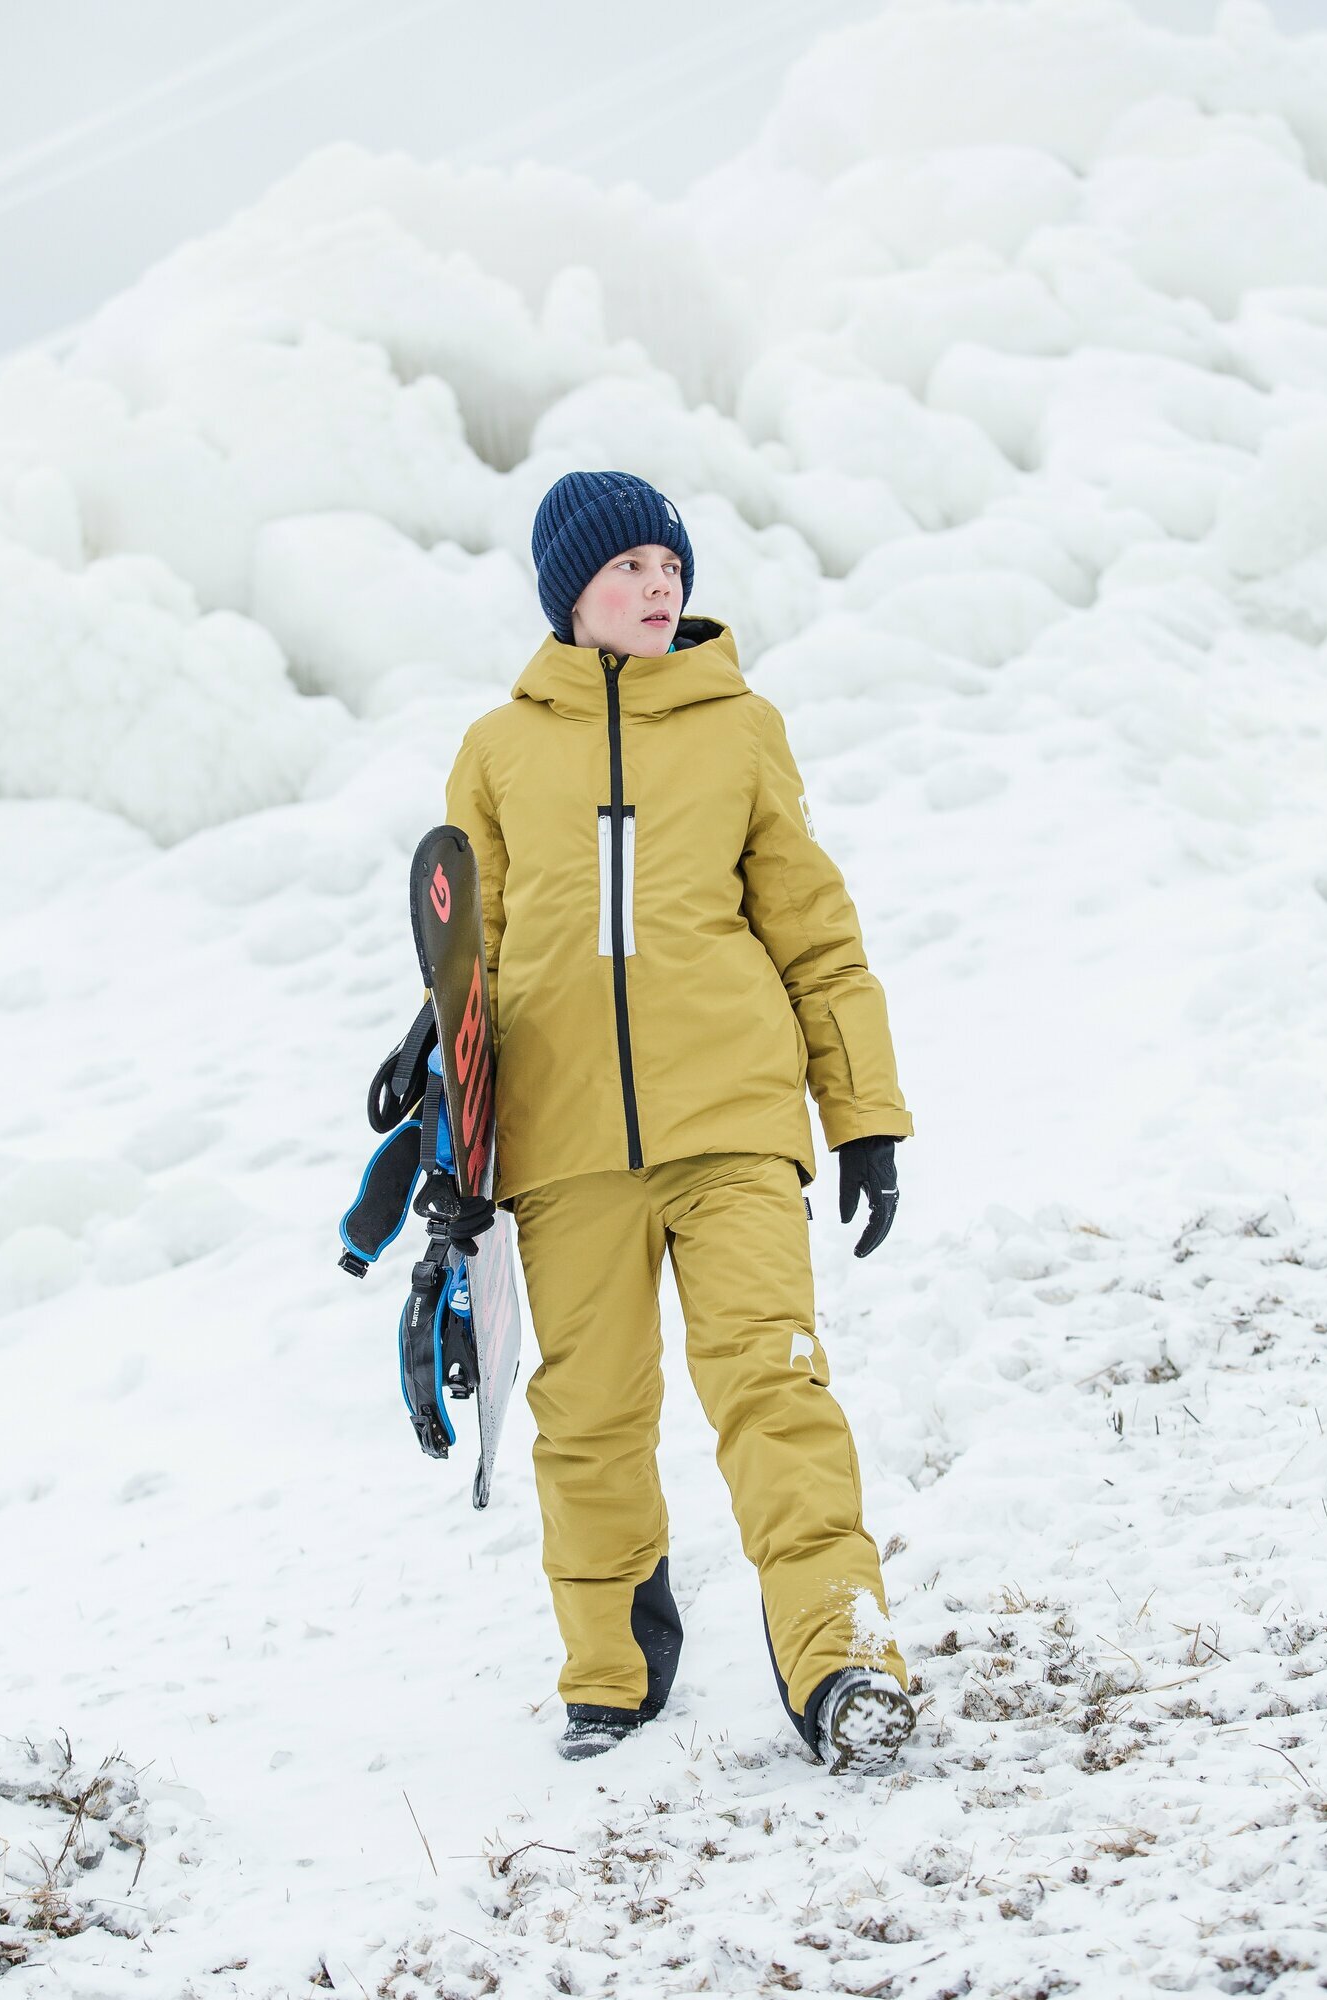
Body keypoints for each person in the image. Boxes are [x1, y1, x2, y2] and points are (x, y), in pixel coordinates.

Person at [441, 469, 917, 1773]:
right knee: (586, 1415)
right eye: (629, 568)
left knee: (775, 1388)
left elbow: (815, 933)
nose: (659, 586)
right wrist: (456, 1154)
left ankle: (844, 1657)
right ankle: (610, 1672)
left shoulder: (737, 727)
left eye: (671, 566)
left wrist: (861, 1113)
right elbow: (461, 977)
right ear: (569, 592)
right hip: (563, 1145)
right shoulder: (496, 751)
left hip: (732, 1122)